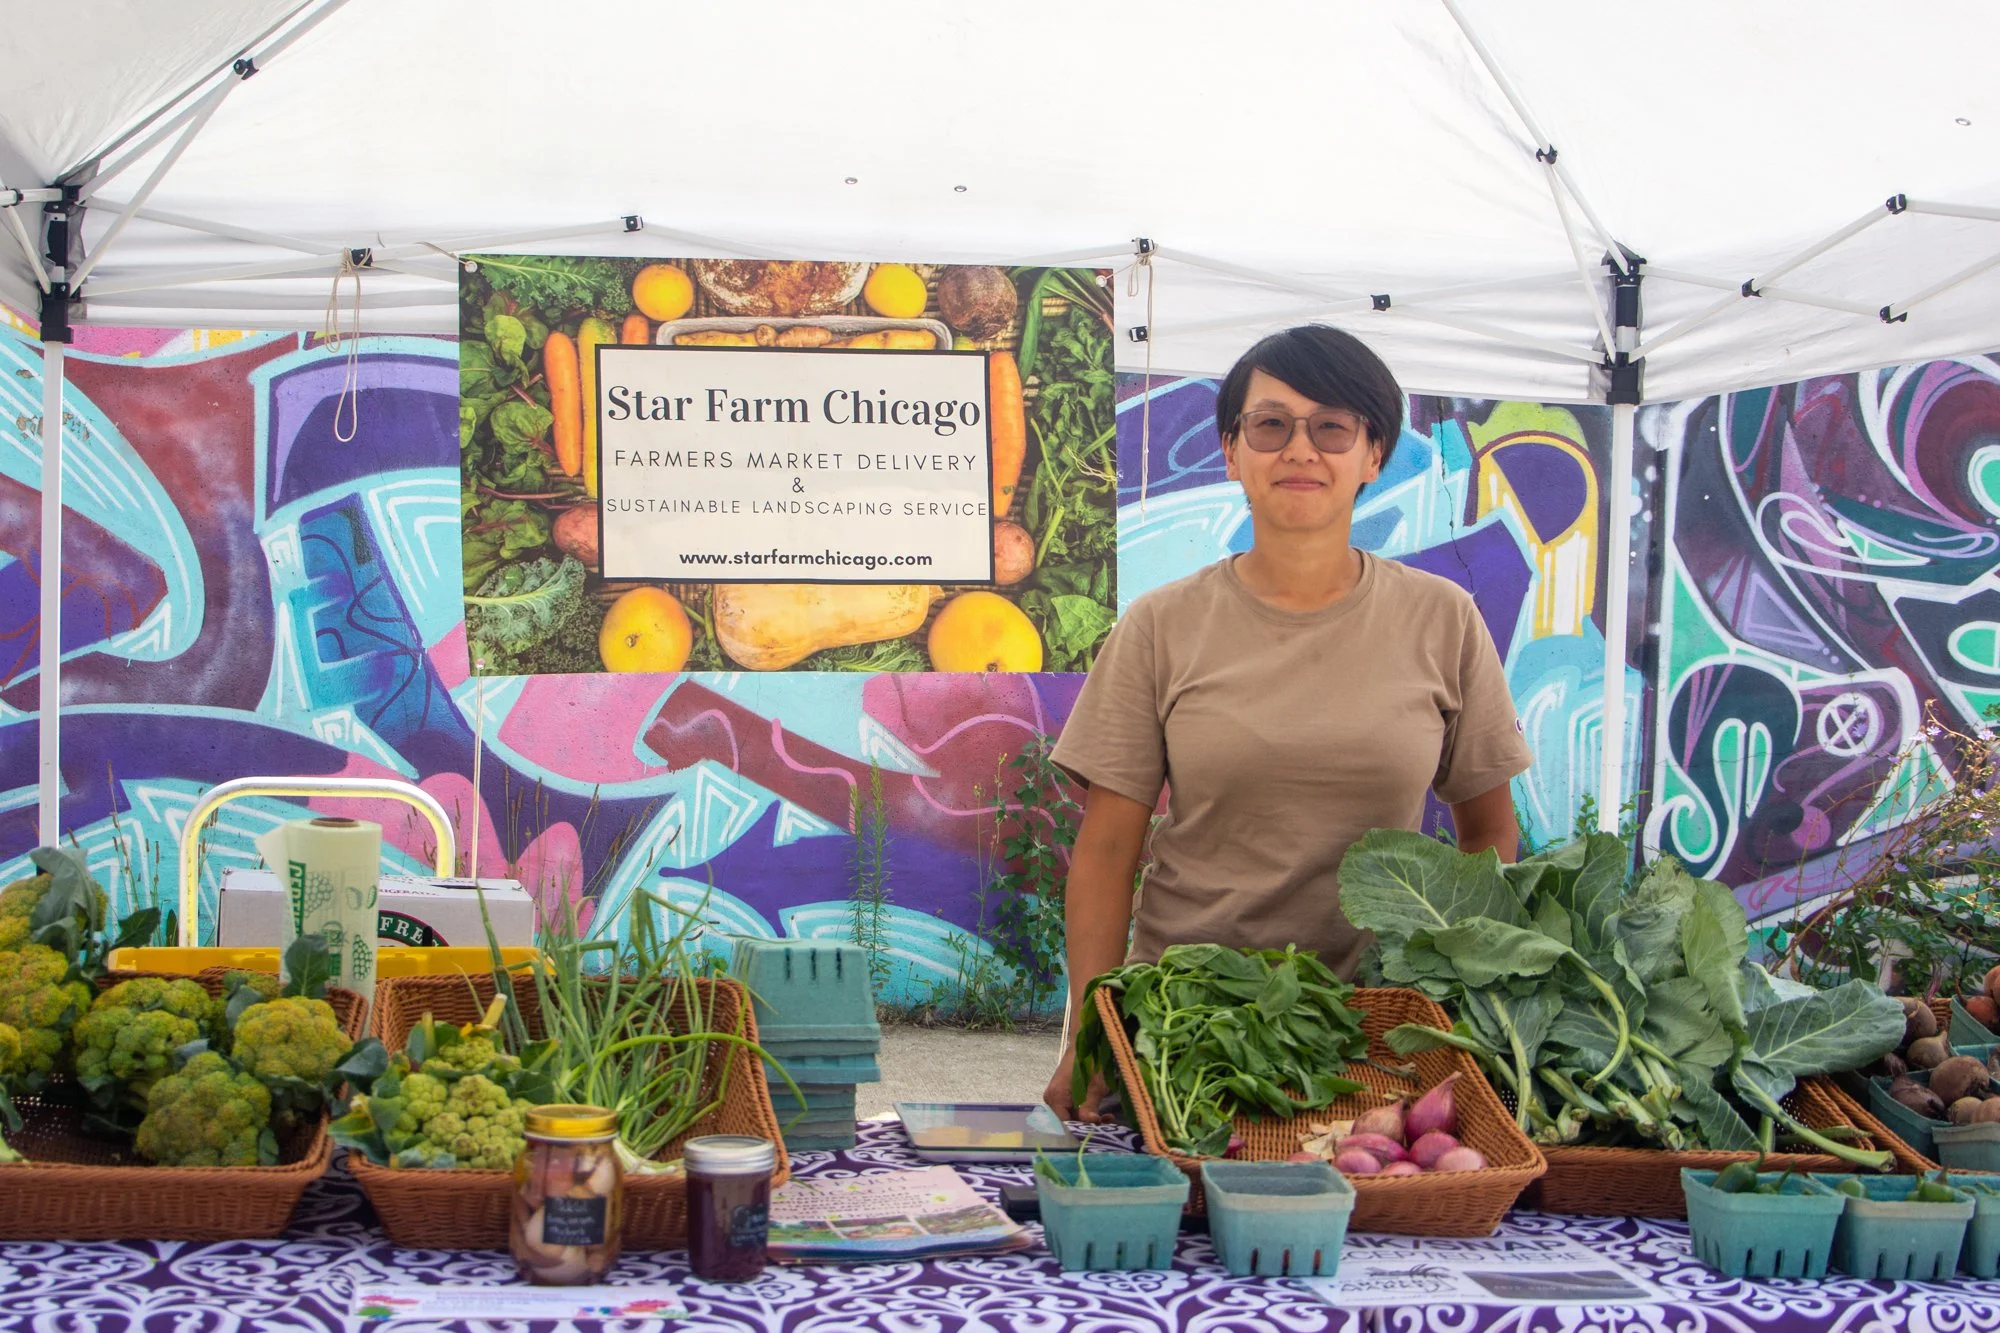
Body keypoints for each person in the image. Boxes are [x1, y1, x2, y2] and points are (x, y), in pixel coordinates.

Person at [1043, 324, 1533, 1121]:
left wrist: (1457, 1009)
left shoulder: (1444, 620)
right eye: (1270, 425)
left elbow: (1489, 840)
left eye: (1332, 426)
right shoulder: (1160, 626)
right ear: (1232, 452)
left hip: (1374, 1046)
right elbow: (1104, 855)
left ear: (1373, 455)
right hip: (1185, 1037)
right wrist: (1090, 1037)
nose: (1300, 449)